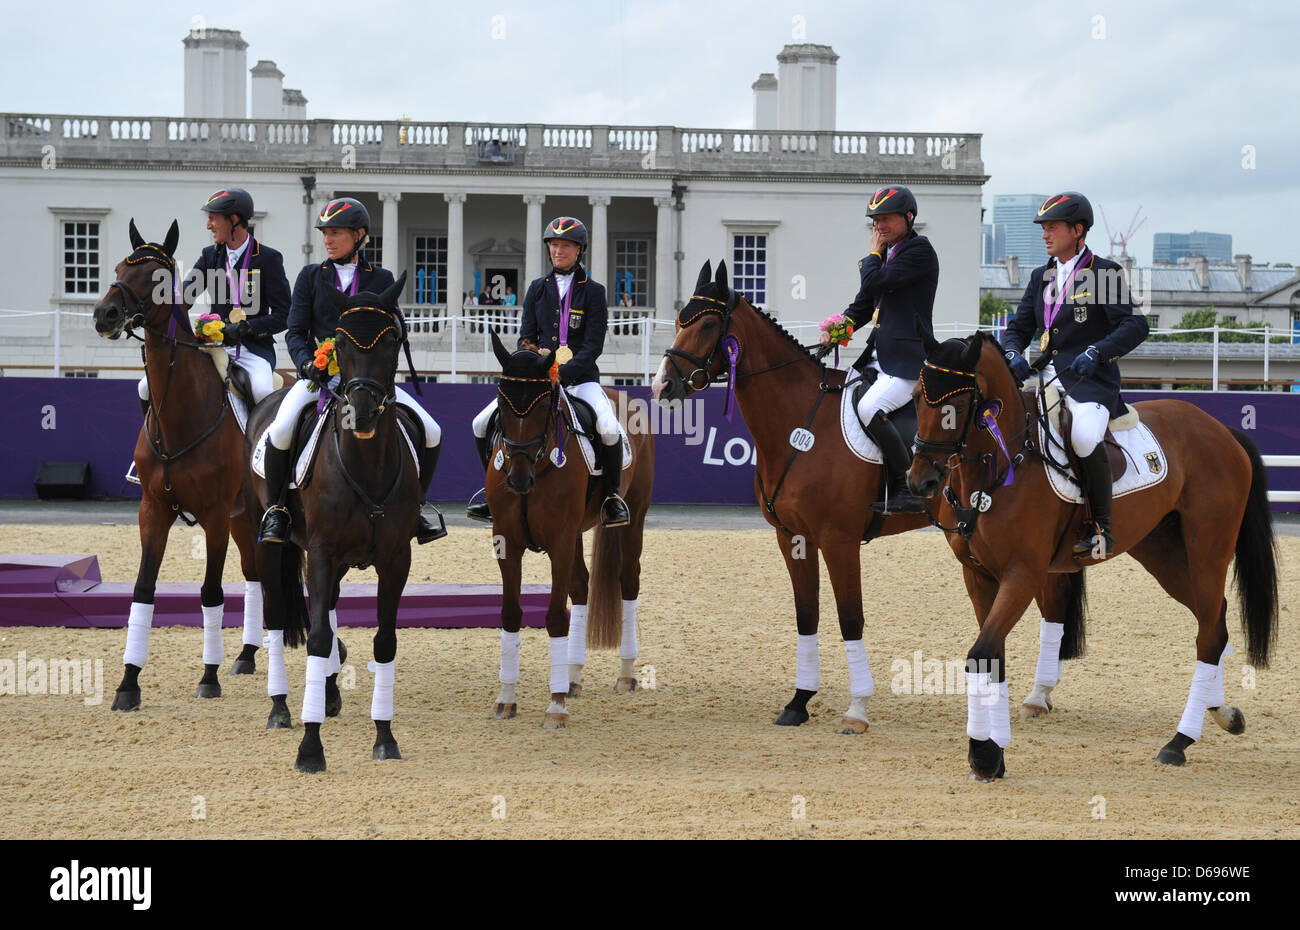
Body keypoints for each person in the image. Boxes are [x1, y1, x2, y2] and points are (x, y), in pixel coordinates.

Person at [259, 197, 446, 545]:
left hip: (370, 382)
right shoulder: (311, 276)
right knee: (281, 428)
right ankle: (277, 511)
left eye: (336, 233)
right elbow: (296, 330)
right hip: (321, 379)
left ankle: (416, 508)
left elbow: (395, 331)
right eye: (325, 233)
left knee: (432, 430)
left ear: (359, 235)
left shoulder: (383, 279)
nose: (328, 240)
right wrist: (305, 364)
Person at [1002, 191, 1147, 559]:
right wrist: (1012, 352)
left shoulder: (1104, 272)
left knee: (1083, 437)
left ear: (1077, 230)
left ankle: (1102, 527)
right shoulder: (1042, 276)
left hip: (1090, 381)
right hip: (1045, 377)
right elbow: (1018, 327)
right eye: (1043, 228)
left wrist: (1098, 352)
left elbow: (1135, 325)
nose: (1045, 235)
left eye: (1052, 228)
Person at [467, 215, 628, 527]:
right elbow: (525, 338)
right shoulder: (537, 289)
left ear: (579, 249)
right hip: (539, 380)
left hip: (580, 381)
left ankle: (611, 497)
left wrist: (562, 374)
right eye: (554, 245)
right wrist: (534, 362)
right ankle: (492, 491)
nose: (558, 251)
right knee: (480, 422)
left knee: (609, 427)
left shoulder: (593, 291)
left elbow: (593, 345)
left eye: (565, 245)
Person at [128, 188, 291, 483]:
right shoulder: (209, 257)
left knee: (262, 390)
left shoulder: (267, 259)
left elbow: (284, 314)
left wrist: (246, 328)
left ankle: (263, 468)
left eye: (214, 219)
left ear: (235, 220)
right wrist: (151, 287)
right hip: (213, 347)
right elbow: (183, 298)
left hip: (252, 350)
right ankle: (154, 451)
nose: (208, 225)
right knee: (144, 386)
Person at [823, 185, 937, 514]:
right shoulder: (889, 256)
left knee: (870, 409)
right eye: (875, 220)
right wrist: (837, 330)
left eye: (885, 219)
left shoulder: (920, 252)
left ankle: (908, 490)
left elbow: (873, 283)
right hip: (877, 357)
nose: (879, 226)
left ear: (909, 217)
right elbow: (862, 305)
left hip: (907, 361)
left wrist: (872, 256)